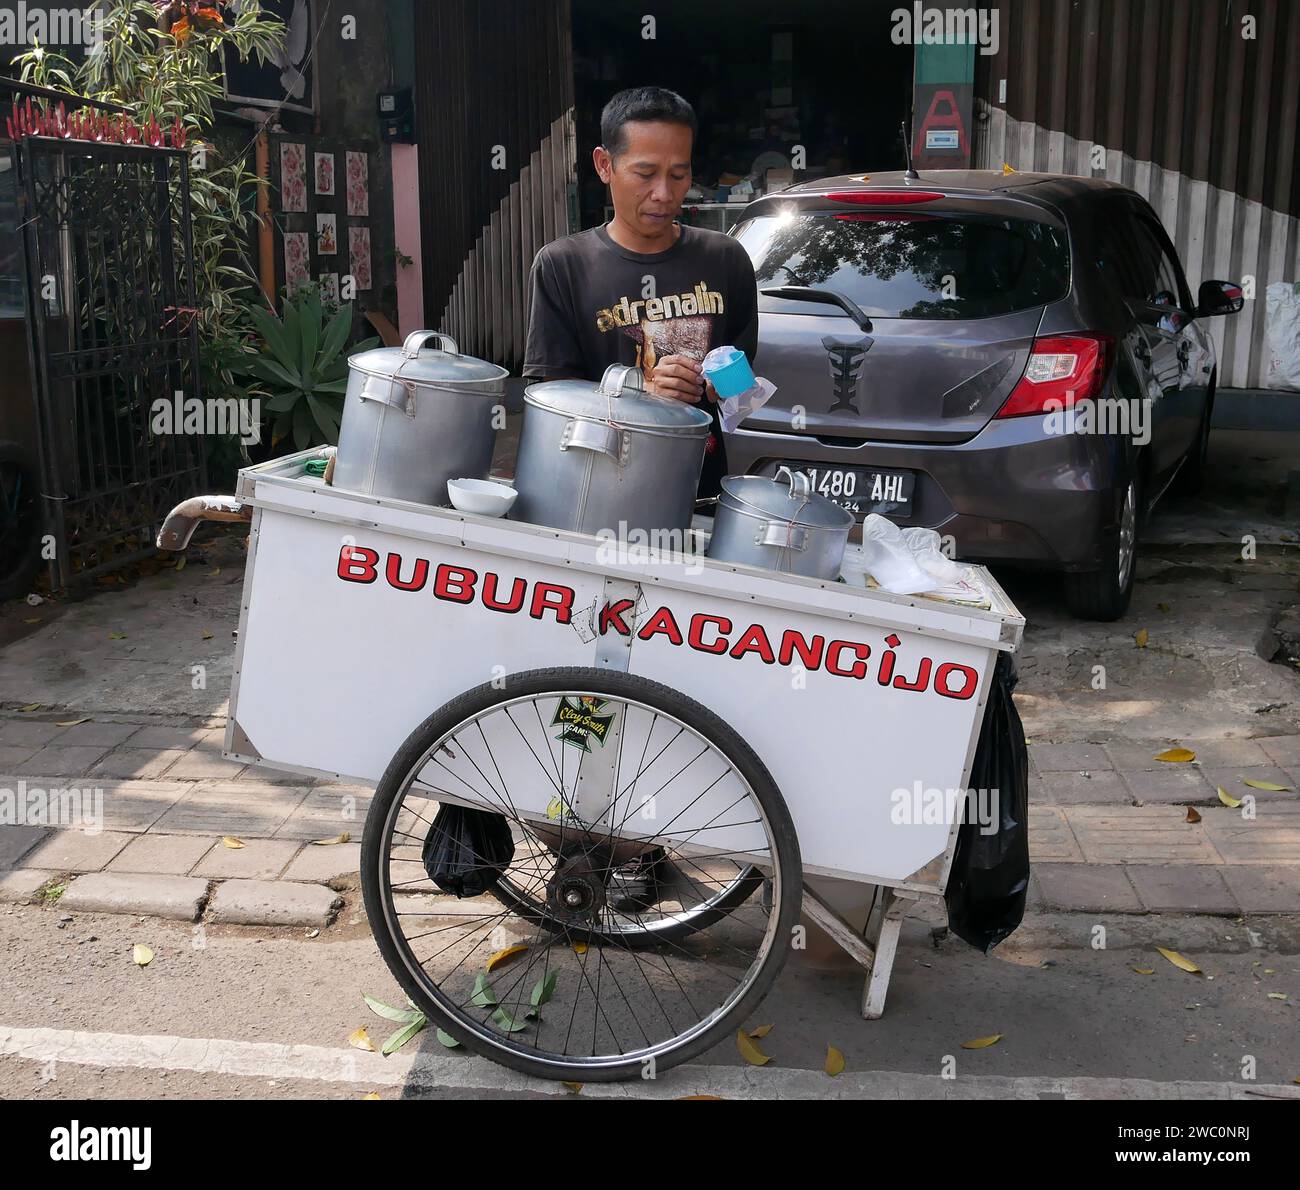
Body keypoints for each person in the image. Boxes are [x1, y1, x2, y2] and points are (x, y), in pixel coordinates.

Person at [523, 86, 759, 499]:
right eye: (646, 174)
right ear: (604, 165)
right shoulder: (563, 266)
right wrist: (640, 392)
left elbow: (741, 387)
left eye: (679, 175)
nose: (664, 195)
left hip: (698, 488)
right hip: (596, 489)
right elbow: (553, 403)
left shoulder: (726, 259)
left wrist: (722, 387)